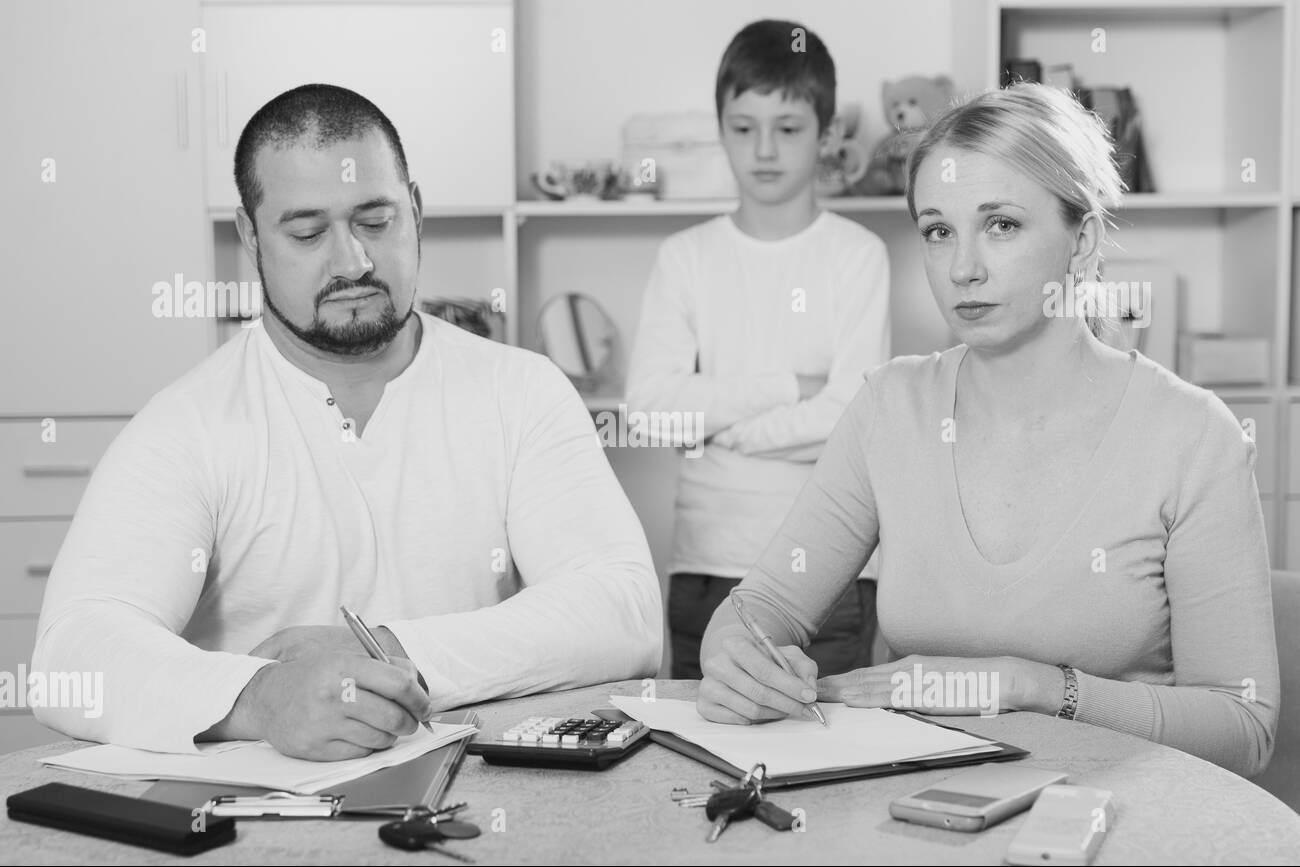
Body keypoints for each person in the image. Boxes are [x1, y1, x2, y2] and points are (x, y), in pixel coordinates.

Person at [32, 84, 662, 759]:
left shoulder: (521, 390)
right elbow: (74, 653)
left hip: (477, 807)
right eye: (307, 232)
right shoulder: (188, 425)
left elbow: (623, 610)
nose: (352, 262)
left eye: (375, 220)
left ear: (415, 211)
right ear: (251, 236)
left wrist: (390, 651)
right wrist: (263, 696)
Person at [695, 82, 1278, 779]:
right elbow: (763, 604)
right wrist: (732, 650)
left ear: (1082, 239)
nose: (963, 268)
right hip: (910, 819)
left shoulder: (1192, 435)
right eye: (939, 230)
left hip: (1116, 829)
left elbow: (1243, 726)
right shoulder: (891, 407)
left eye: (1000, 224)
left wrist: (1029, 685)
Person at [626, 19, 890, 681]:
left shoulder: (858, 256)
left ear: (827, 134)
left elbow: (848, 421)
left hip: (832, 570)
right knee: (699, 770)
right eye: (743, 128)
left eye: (789, 128)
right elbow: (650, 410)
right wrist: (784, 386)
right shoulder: (685, 257)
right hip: (707, 565)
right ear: (721, 129)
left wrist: (724, 431)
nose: (764, 149)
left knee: (828, 768)